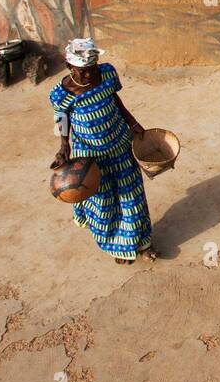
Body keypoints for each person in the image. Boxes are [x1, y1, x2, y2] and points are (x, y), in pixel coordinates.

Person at [49, 39, 155, 264]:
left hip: (119, 146)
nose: (89, 75)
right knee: (104, 201)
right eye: (82, 72)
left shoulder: (106, 73)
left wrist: (133, 123)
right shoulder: (61, 93)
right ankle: (117, 246)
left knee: (132, 196)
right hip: (90, 157)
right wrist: (63, 148)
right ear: (70, 67)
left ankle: (141, 242)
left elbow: (115, 99)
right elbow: (62, 120)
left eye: (92, 69)